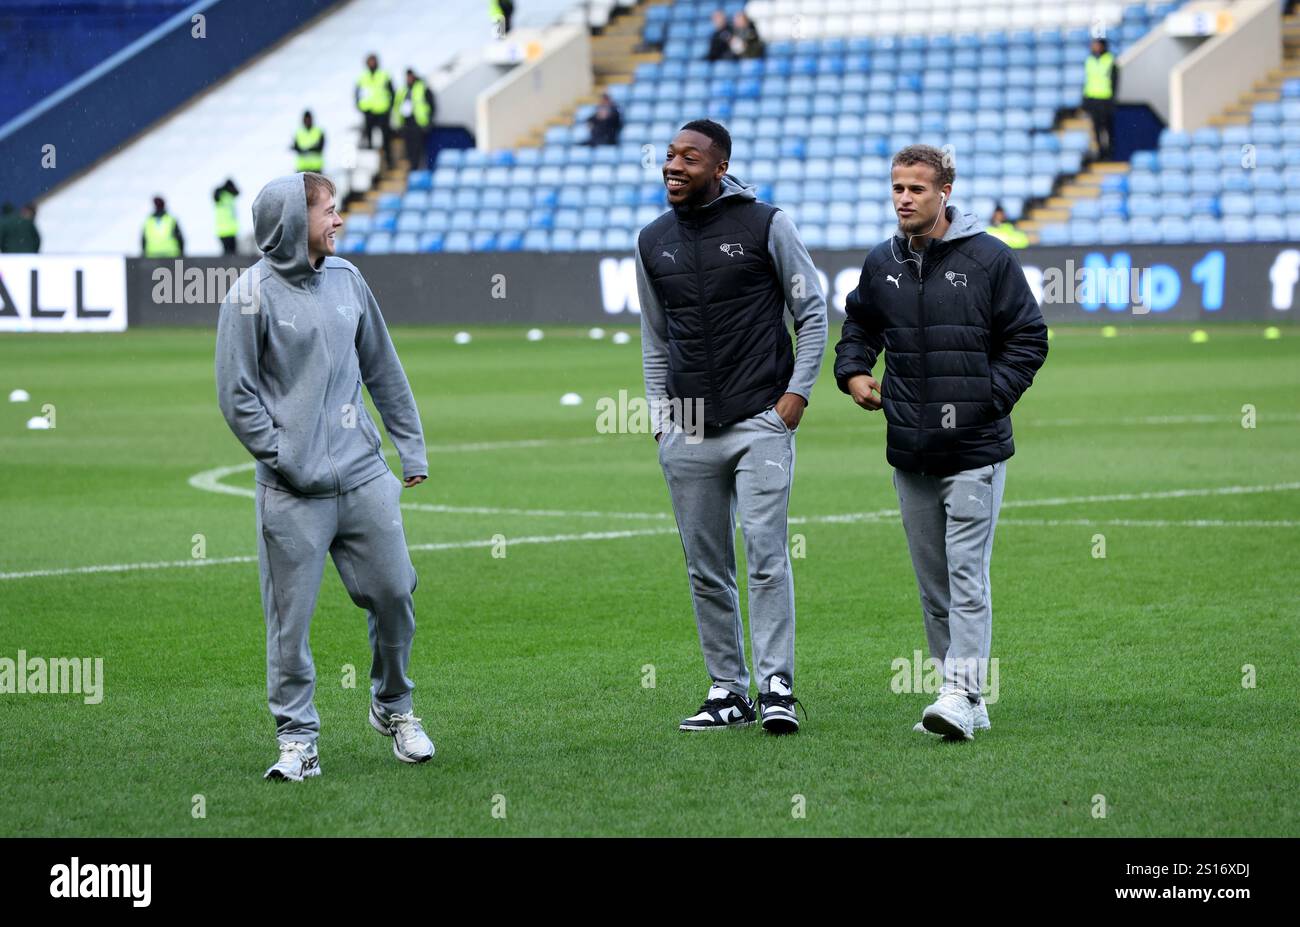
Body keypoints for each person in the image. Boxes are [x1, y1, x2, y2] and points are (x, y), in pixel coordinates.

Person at [215, 172, 433, 781]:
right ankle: (298, 740)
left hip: (364, 477)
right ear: (292, 222)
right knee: (291, 622)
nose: (338, 221)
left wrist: (408, 447)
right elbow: (236, 395)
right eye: (329, 212)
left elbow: (383, 367)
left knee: (395, 594)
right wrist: (285, 454)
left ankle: (394, 708)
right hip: (291, 491)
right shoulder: (248, 295)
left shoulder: (349, 280)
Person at [833, 145, 1047, 741]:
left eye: (917, 189)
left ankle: (957, 692)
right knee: (934, 585)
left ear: (944, 193)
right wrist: (853, 372)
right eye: (898, 188)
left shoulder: (989, 260)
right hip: (910, 447)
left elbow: (1028, 339)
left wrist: (986, 399)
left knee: (967, 574)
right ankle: (965, 696)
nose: (905, 198)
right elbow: (859, 325)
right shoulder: (882, 263)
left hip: (975, 449)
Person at [636, 119, 828, 735]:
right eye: (669, 155)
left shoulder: (766, 224)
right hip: (687, 427)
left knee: (767, 555)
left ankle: (776, 685)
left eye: (688, 158)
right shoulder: (652, 240)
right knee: (704, 565)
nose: (673, 165)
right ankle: (728, 689)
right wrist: (662, 418)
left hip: (759, 421)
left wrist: (794, 397)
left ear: (718, 169)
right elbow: (655, 337)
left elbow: (812, 311)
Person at [392, 69, 435, 171]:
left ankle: (417, 168)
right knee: (409, 148)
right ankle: (412, 167)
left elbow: (431, 106)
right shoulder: (402, 91)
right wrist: (398, 124)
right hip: (406, 124)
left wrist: (428, 121)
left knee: (418, 148)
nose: (409, 79)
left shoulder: (422, 88)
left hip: (419, 124)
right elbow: (397, 108)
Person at [1082, 37, 1117, 161]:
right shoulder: (1089, 60)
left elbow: (1114, 81)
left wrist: (1113, 99)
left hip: (1106, 99)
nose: (1094, 47)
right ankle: (1100, 152)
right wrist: (1085, 99)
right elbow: (1087, 80)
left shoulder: (1110, 60)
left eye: (1097, 45)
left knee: (1107, 128)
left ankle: (1110, 153)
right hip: (1093, 98)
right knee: (1096, 128)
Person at [355, 54, 394, 166]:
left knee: (386, 138)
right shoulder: (362, 77)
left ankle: (389, 161)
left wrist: (389, 107)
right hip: (369, 111)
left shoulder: (384, 75)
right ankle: (371, 164)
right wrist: (360, 106)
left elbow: (392, 92)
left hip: (382, 111)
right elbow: (357, 93)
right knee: (369, 139)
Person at [213, 179, 240, 255]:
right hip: (224, 231)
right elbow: (215, 194)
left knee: (230, 255)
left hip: (230, 230)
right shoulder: (220, 195)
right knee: (229, 255)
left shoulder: (229, 197)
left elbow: (238, 193)